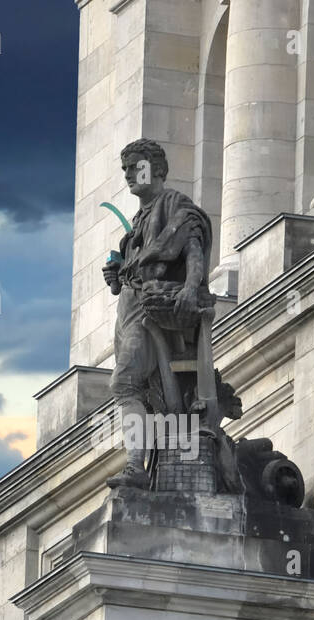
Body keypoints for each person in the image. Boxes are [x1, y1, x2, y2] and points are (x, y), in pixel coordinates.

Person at [100, 138, 214, 489]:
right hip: (128, 309)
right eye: (125, 169)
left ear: (158, 169)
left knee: (124, 383)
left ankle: (135, 465)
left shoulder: (174, 204)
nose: (129, 175)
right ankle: (144, 462)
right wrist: (116, 278)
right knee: (138, 389)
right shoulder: (139, 219)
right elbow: (133, 266)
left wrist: (192, 288)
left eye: (137, 167)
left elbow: (193, 247)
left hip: (149, 312)